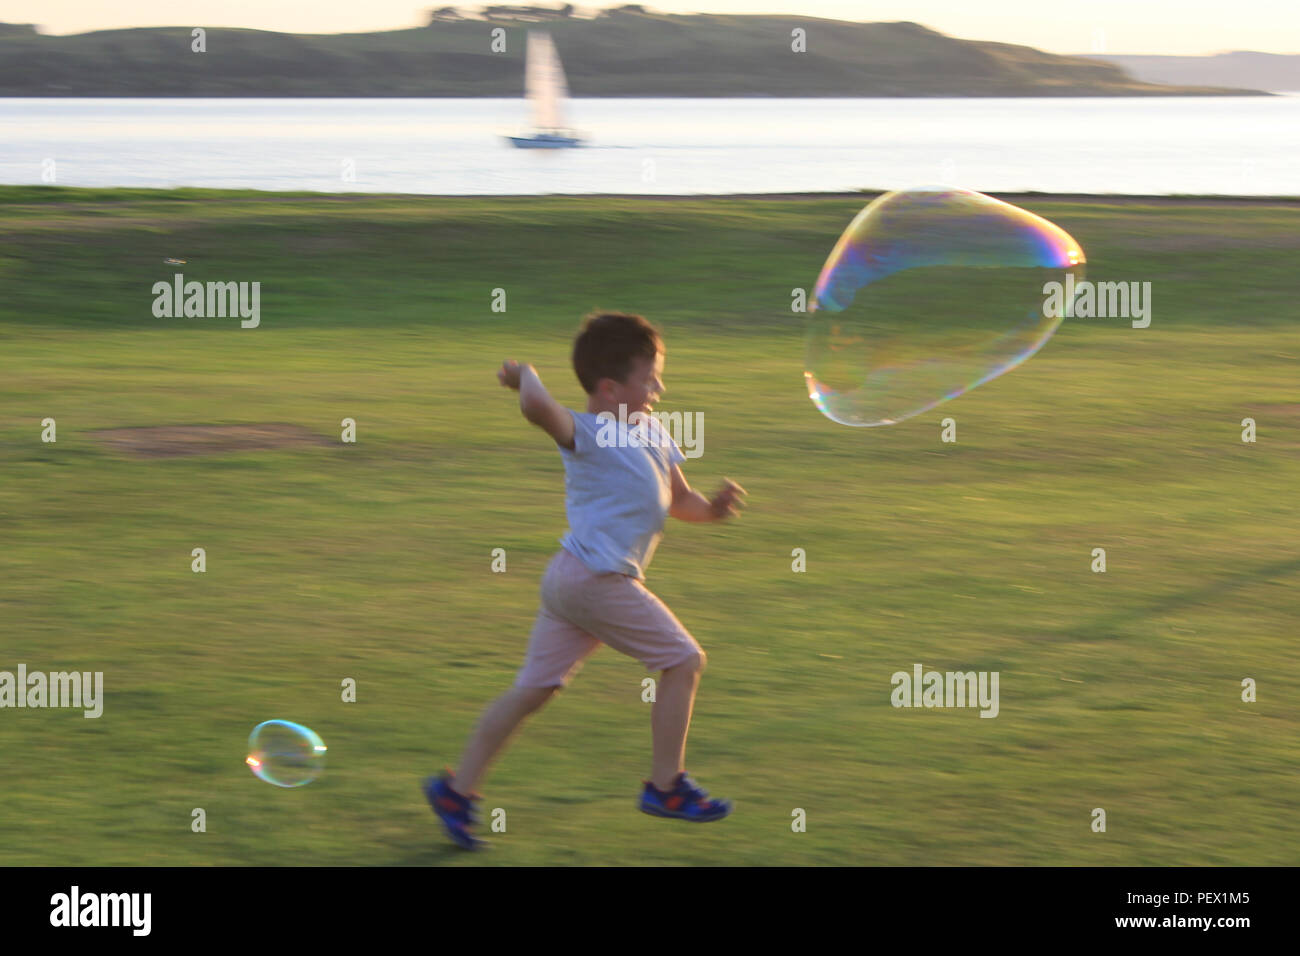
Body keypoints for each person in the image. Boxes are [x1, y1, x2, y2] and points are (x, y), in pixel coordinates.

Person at [425, 311, 746, 849]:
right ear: (609, 387)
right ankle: (666, 786)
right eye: (650, 379)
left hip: (571, 583)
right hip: (596, 580)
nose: (659, 388)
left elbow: (679, 500)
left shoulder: (651, 431)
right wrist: (524, 373)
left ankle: (457, 791)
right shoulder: (588, 433)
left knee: (533, 690)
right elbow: (536, 407)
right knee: (683, 660)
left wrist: (713, 509)